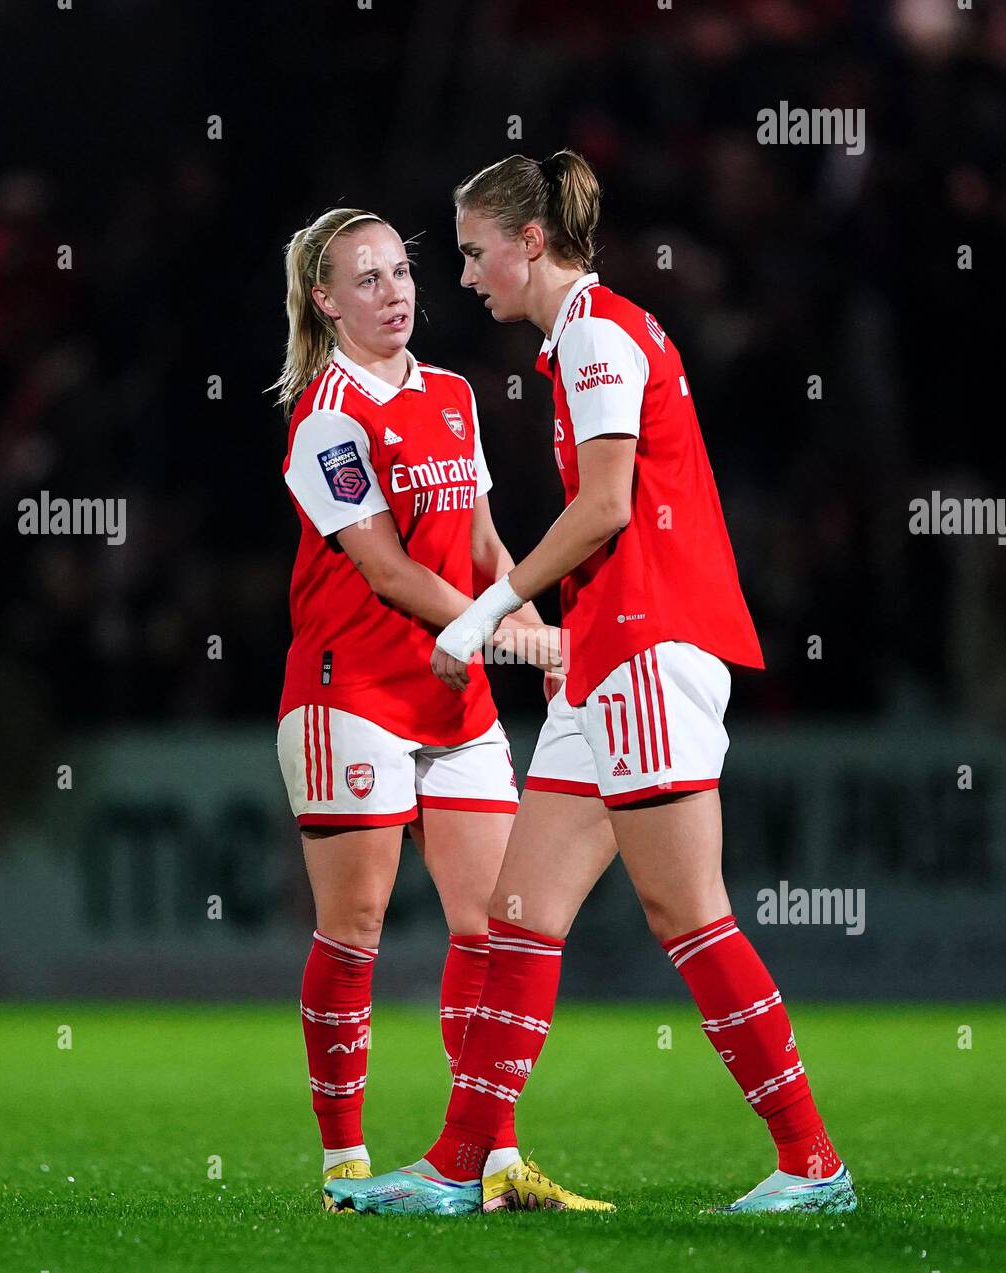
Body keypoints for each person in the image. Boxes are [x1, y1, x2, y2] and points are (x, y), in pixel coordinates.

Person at [325, 154, 856, 1217]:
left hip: (654, 648)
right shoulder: (588, 337)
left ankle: (813, 1165)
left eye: (475, 252)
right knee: (519, 917)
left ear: (530, 243)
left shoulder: (602, 335)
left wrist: (485, 608)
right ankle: (459, 1162)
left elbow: (609, 506)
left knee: (686, 910)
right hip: (602, 656)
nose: (465, 277)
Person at [271, 204, 613, 1213]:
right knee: (358, 926)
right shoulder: (326, 414)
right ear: (325, 303)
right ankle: (344, 1164)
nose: (394, 292)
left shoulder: (456, 397)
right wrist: (502, 634)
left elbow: (482, 554)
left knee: (494, 923)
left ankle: (491, 1159)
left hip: (450, 700)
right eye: (365, 278)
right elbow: (379, 569)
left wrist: (536, 626)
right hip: (349, 694)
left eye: (401, 272)